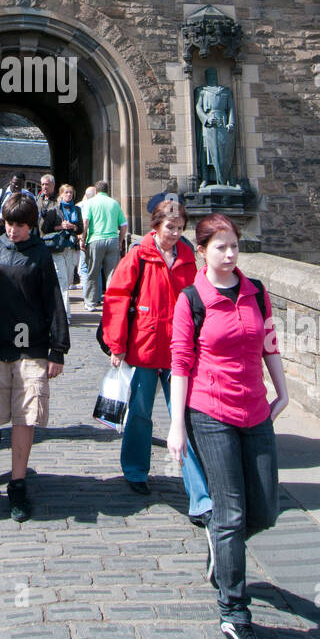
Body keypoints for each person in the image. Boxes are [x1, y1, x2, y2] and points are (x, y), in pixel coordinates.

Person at [168, 214, 288, 639]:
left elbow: (269, 341)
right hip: (209, 411)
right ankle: (234, 612)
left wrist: (283, 390)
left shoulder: (256, 291)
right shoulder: (191, 299)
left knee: (264, 509)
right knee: (231, 510)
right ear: (202, 251)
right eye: (220, 247)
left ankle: (222, 546)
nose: (230, 254)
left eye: (234, 245)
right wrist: (177, 425)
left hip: (255, 409)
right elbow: (181, 363)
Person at [102, 198, 212, 521]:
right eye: (170, 227)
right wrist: (117, 344)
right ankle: (135, 470)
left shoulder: (189, 256)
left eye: (180, 228)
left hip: (179, 351)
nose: (175, 233)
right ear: (156, 226)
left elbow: (200, 298)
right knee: (139, 413)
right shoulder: (139, 254)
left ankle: (200, 496)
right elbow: (117, 296)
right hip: (146, 348)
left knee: (185, 420)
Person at [0, 192, 70, 522]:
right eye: (8, 223)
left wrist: (57, 349)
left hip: (31, 347)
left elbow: (53, 301)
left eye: (19, 225)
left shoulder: (41, 254)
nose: (12, 230)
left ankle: (17, 483)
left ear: (31, 225)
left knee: (26, 414)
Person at [39, 182, 84, 316]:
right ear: (61, 194)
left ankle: (58, 308)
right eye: (66, 192)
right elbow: (45, 229)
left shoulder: (77, 210)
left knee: (69, 280)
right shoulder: (55, 210)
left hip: (71, 248)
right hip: (58, 249)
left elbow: (80, 228)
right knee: (63, 282)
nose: (69, 195)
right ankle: (65, 314)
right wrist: (60, 227)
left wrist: (73, 227)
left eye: (71, 192)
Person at [81, 181, 127, 312]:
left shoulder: (90, 203)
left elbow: (85, 223)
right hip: (112, 239)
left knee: (93, 272)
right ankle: (111, 302)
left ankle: (90, 302)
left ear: (96, 190)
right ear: (108, 190)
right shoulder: (114, 203)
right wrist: (120, 241)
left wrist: (82, 239)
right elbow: (124, 225)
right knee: (112, 274)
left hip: (95, 240)